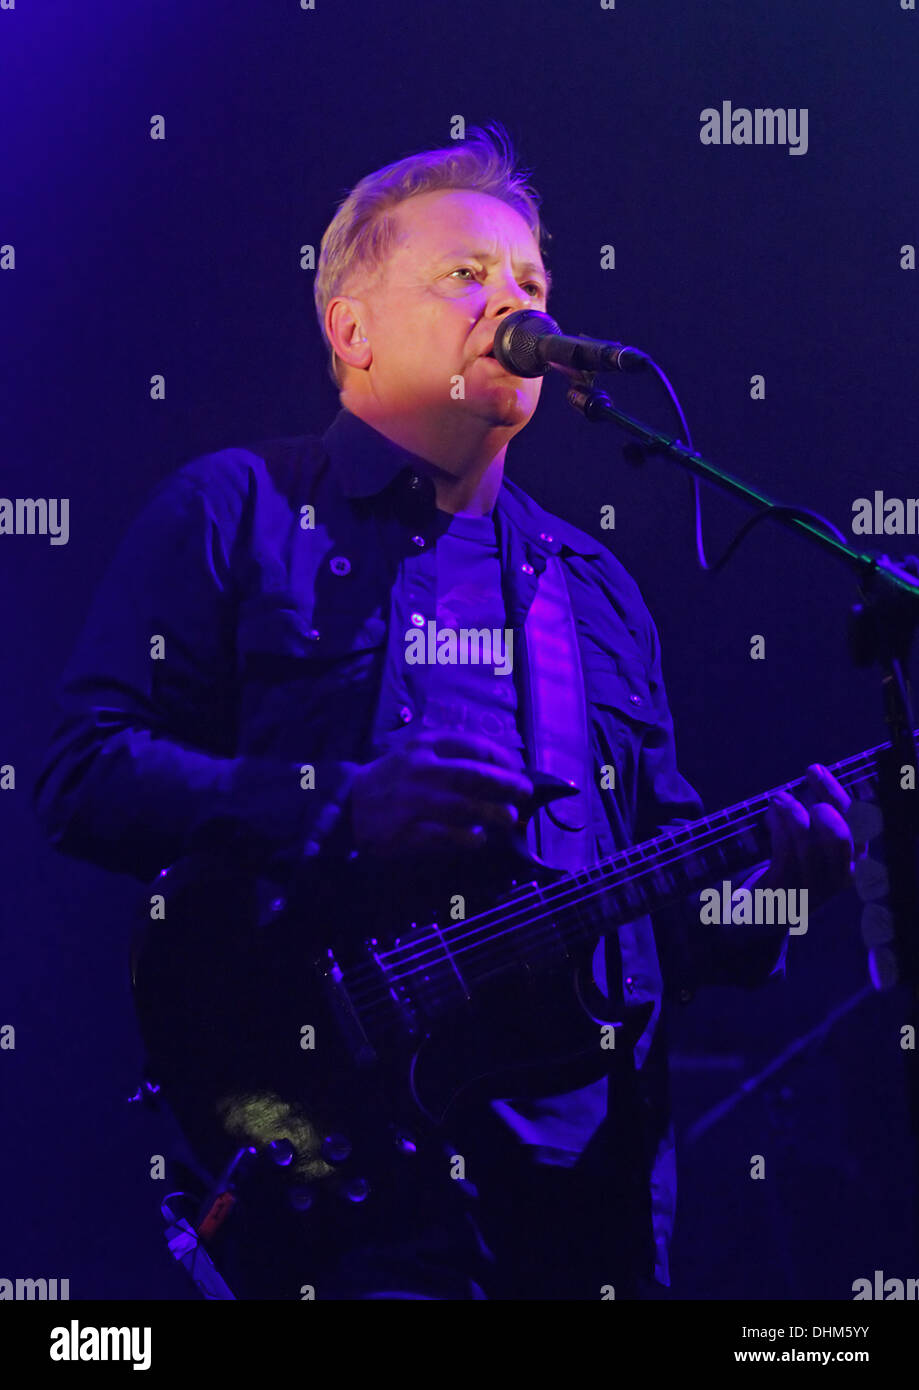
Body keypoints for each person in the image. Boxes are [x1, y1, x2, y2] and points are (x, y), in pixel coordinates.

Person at [33, 124, 856, 1300]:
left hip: (587, 1203)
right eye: (463, 276)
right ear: (351, 329)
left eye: (528, 281)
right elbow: (79, 776)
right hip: (342, 1177)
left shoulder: (598, 593)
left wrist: (784, 890)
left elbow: (663, 929)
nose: (509, 300)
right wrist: (337, 808)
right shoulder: (235, 511)